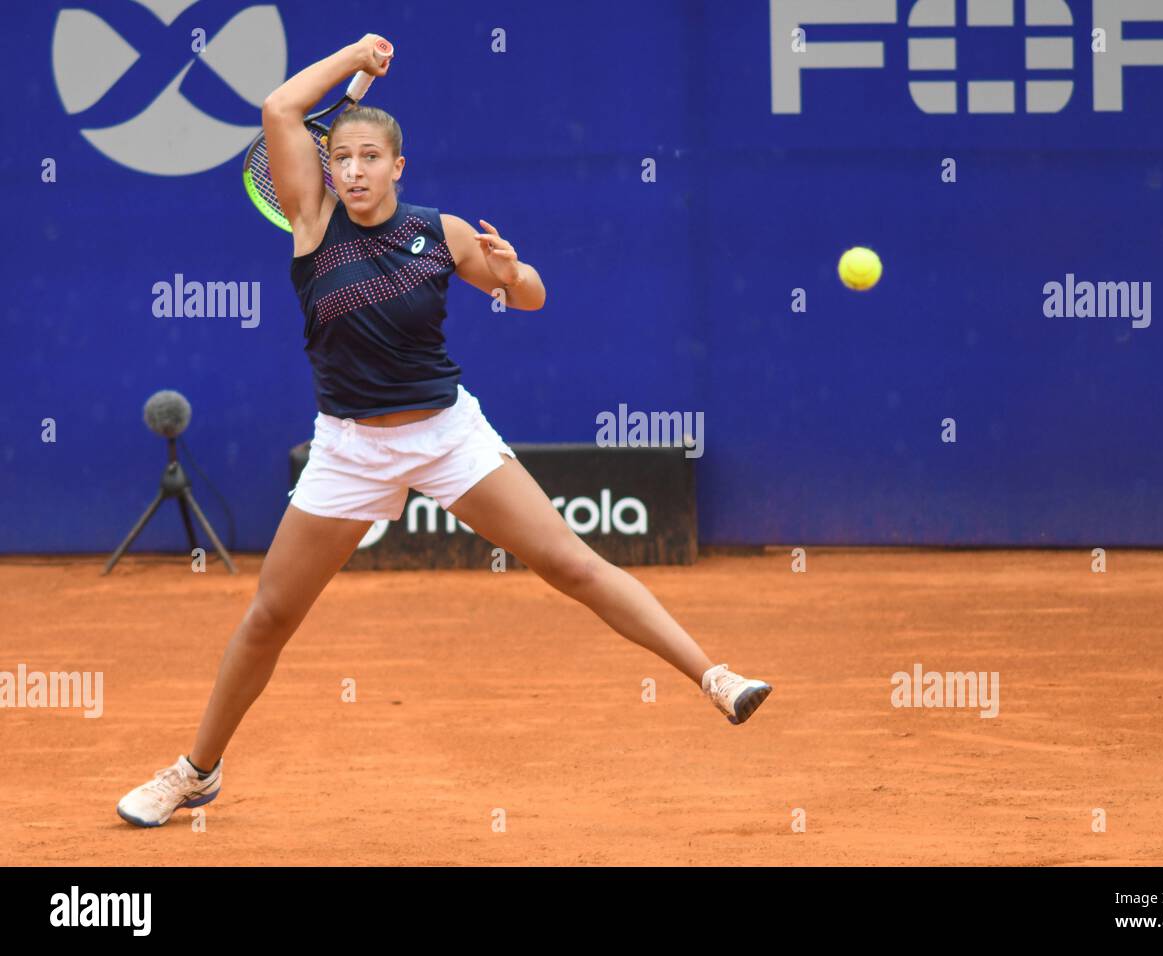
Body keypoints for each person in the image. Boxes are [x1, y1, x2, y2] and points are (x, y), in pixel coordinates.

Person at [116, 34, 771, 828]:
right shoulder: (311, 221)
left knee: (572, 564)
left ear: (399, 166)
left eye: (369, 158)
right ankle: (196, 771)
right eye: (342, 157)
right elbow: (280, 107)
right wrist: (355, 50)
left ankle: (714, 677)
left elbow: (528, 297)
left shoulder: (440, 233)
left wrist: (513, 270)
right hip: (350, 448)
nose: (352, 170)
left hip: (447, 436)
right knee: (270, 617)